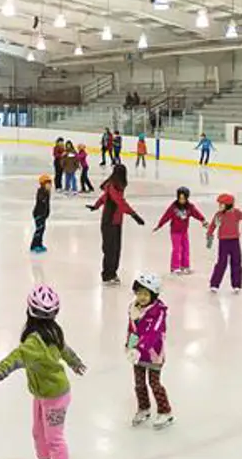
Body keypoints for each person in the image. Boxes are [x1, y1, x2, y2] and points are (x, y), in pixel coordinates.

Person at [0, 285, 86, 459]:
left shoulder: (35, 342)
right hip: (42, 394)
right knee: (38, 432)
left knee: (54, 438)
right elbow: (64, 350)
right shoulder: (50, 332)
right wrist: (75, 363)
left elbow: (16, 357)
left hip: (55, 396)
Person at [127, 272, 173, 430]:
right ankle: (144, 408)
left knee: (154, 383)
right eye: (139, 293)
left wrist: (140, 348)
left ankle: (165, 411)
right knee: (139, 384)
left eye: (146, 294)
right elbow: (132, 329)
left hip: (154, 354)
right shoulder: (133, 308)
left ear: (153, 295)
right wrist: (130, 346)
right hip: (137, 354)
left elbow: (153, 332)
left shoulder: (159, 311)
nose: (141, 297)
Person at [88, 172, 145, 286]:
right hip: (109, 223)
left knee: (116, 249)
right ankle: (107, 274)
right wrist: (134, 215)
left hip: (116, 222)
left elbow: (104, 197)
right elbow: (120, 202)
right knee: (110, 249)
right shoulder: (113, 186)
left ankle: (112, 273)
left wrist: (96, 206)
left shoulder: (115, 187)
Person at [207, 193, 242, 293]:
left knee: (236, 262)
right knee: (221, 263)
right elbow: (213, 225)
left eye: (221, 204)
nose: (219, 206)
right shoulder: (218, 215)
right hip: (223, 242)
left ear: (228, 205)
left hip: (235, 241)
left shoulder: (236, 213)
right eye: (219, 204)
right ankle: (214, 284)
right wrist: (209, 235)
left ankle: (237, 284)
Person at [155, 186, 207, 276]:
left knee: (186, 249)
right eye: (180, 198)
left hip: (184, 232)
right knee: (177, 249)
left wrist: (203, 220)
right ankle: (174, 267)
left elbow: (196, 213)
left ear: (187, 198)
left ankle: (185, 266)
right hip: (175, 232)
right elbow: (166, 216)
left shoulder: (190, 207)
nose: (181, 200)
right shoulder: (173, 207)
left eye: (183, 198)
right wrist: (159, 225)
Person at [31, 175, 53, 254]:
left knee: (42, 230)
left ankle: (39, 244)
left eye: (50, 184)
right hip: (38, 214)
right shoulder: (41, 191)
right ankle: (34, 245)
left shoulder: (47, 192)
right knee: (39, 230)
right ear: (43, 184)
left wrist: (47, 213)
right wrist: (43, 199)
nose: (50, 185)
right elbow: (41, 200)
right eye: (48, 184)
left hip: (43, 214)